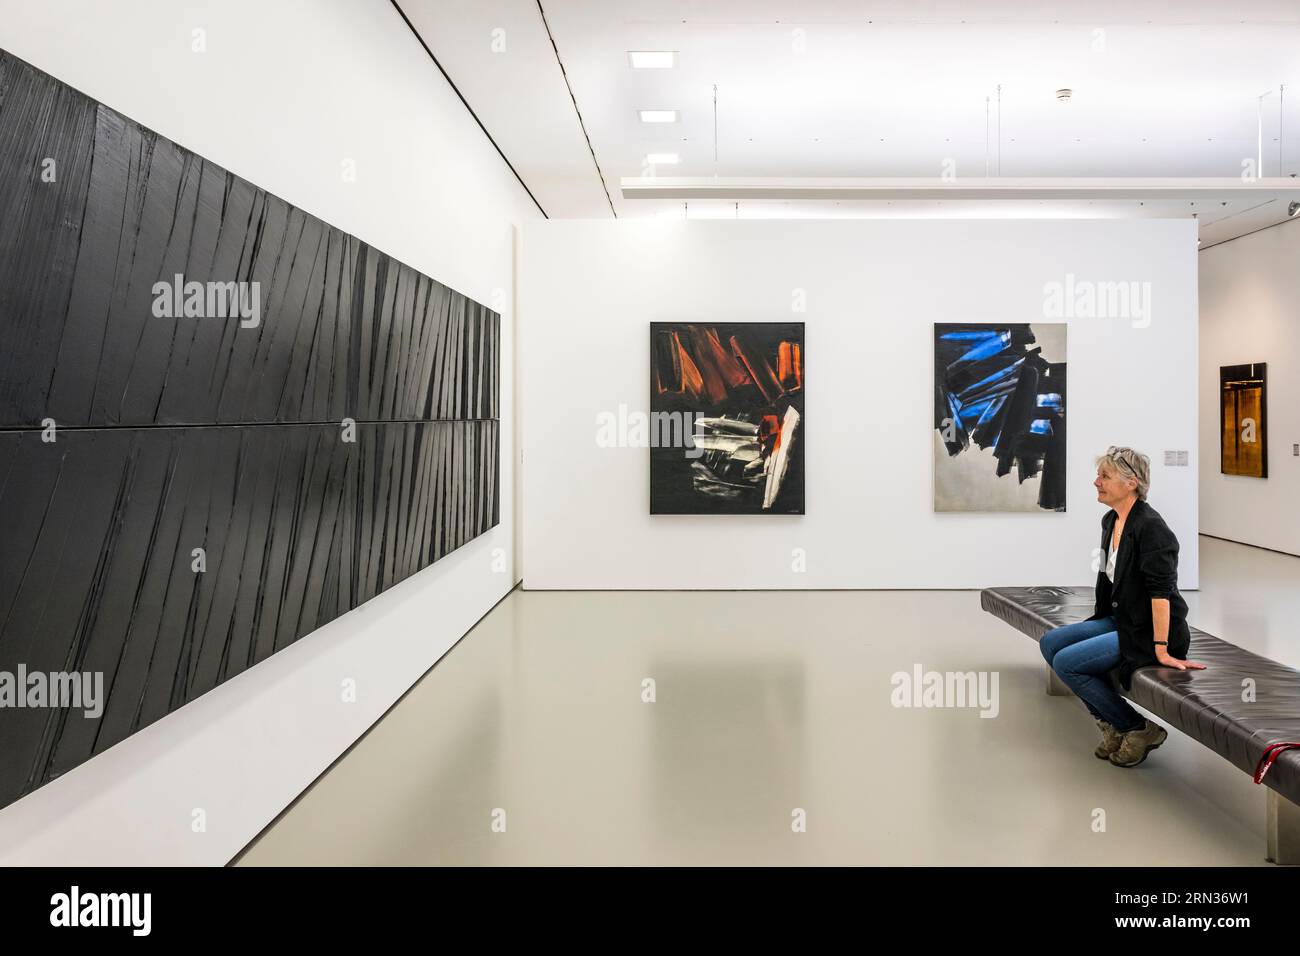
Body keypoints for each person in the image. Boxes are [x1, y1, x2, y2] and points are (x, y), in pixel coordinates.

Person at [1039, 446, 1206, 767]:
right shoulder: (1111, 520)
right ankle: (1112, 724)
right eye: (1098, 475)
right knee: (1050, 643)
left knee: (1068, 663)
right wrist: (1099, 621)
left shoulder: (1152, 529)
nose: (1096, 482)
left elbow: (1162, 595)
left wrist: (1161, 648)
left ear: (1132, 483)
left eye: (1105, 476)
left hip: (1151, 630)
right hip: (1121, 619)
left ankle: (1136, 727)